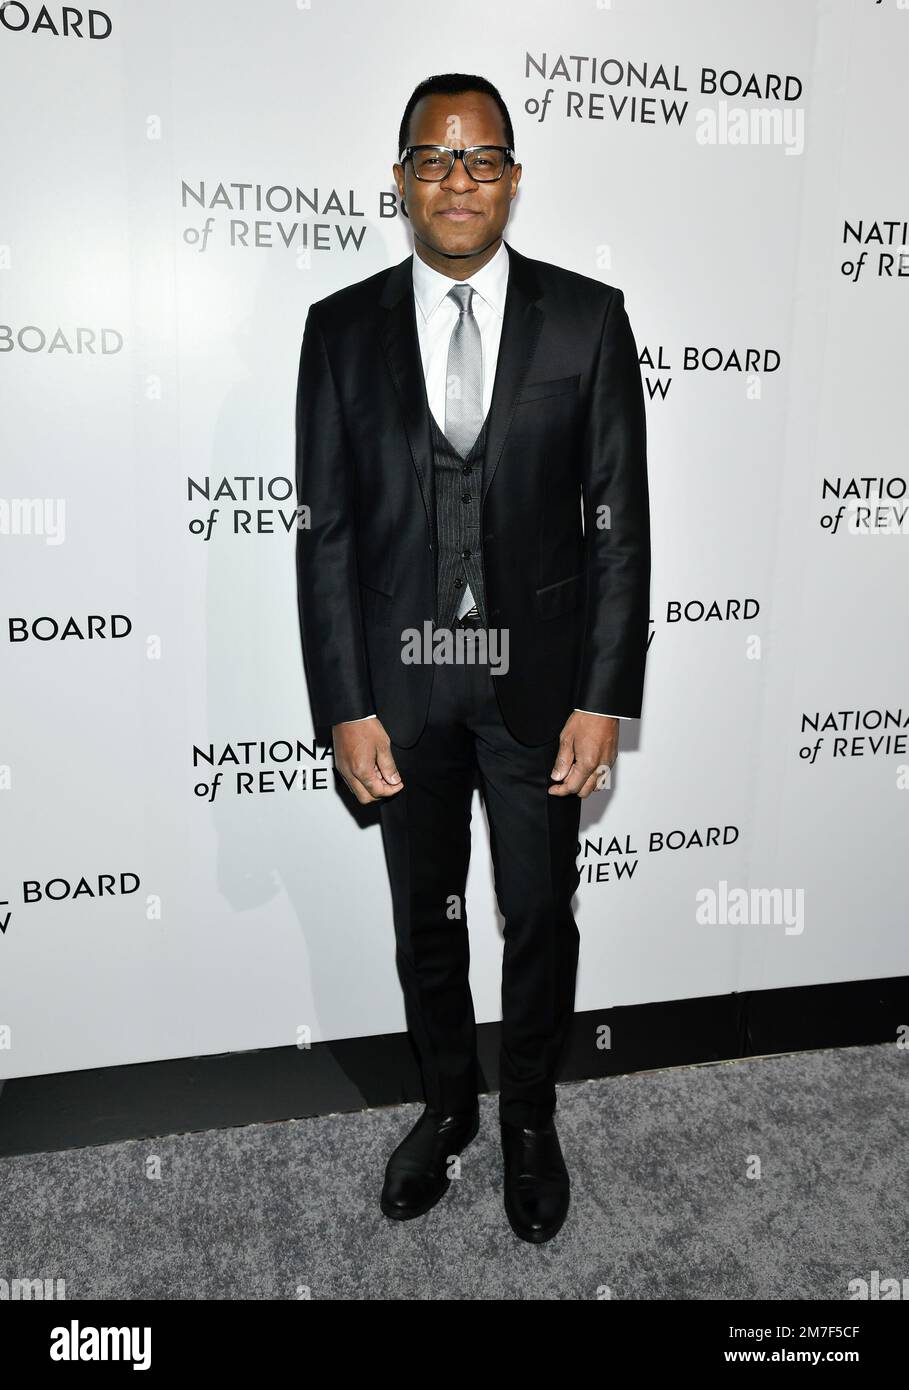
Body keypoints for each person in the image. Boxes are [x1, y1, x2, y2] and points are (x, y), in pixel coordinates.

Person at [295, 72, 650, 1243]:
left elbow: (619, 525)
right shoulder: (339, 329)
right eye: (435, 159)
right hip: (403, 687)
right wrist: (344, 703)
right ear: (399, 180)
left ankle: (532, 1119)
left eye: (482, 157)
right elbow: (330, 534)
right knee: (427, 917)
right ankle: (449, 1108)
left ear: (512, 178)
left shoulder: (587, 318)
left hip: (539, 693)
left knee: (539, 914)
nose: (459, 178)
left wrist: (606, 695)